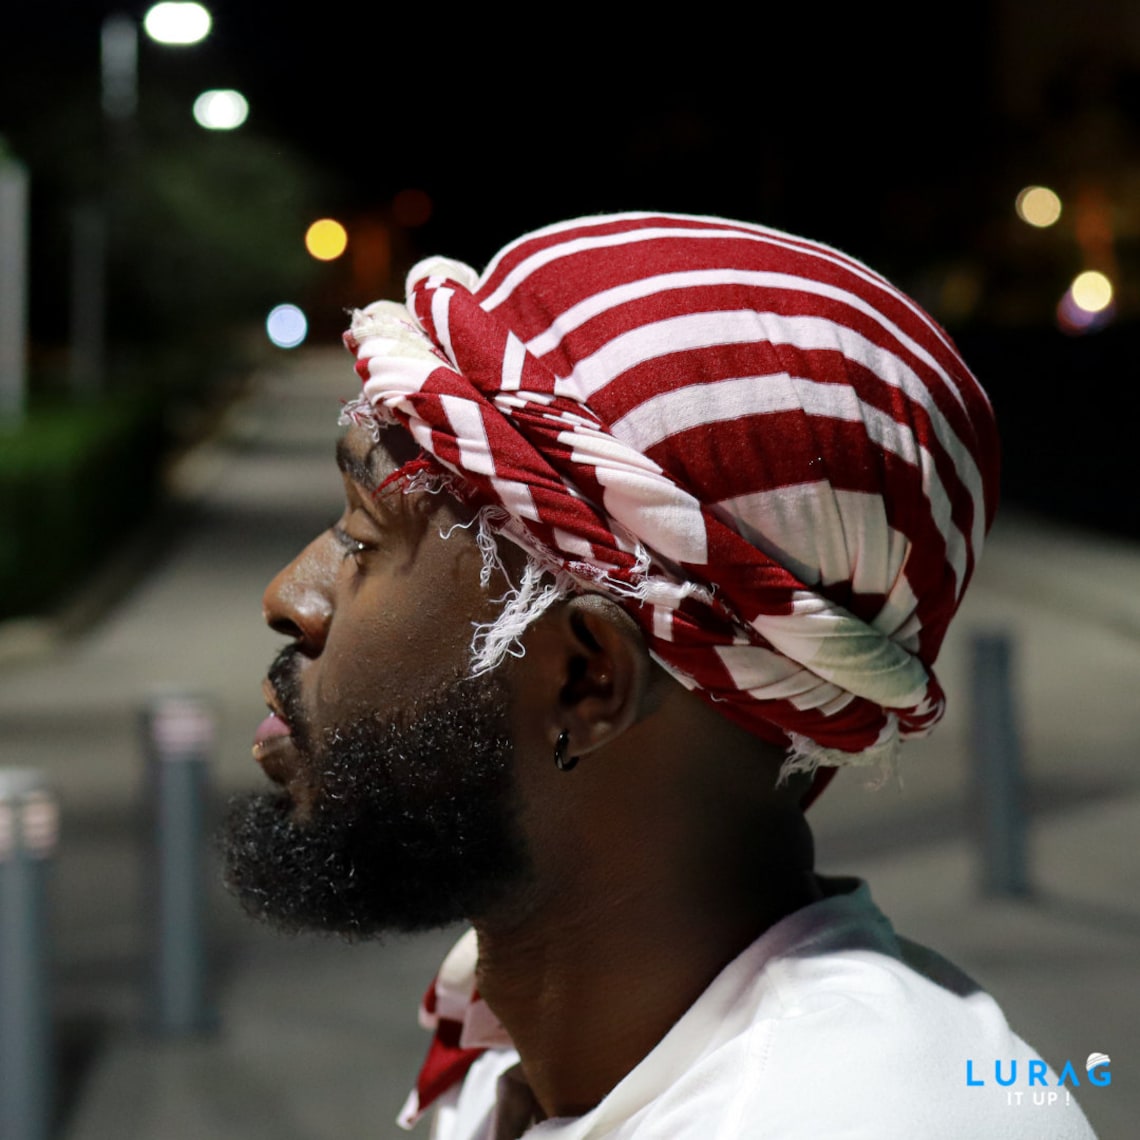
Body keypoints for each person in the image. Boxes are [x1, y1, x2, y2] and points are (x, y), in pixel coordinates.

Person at [222, 212, 1098, 1138]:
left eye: (363, 539)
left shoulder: (851, 1115)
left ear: (588, 682)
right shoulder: (546, 1056)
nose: (291, 596)